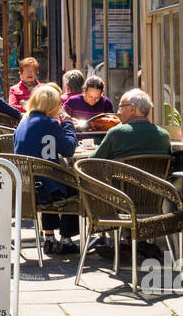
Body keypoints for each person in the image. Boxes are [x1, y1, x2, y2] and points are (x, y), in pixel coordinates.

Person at [13, 83, 81, 254]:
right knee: (75, 185)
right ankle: (66, 239)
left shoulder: (23, 122)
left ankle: (49, 237)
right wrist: (68, 125)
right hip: (46, 192)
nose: (60, 107)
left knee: (48, 176)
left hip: (27, 187)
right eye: (59, 104)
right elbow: (68, 149)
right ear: (51, 105)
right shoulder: (49, 123)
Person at [93, 88, 173, 161]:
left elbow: (93, 160)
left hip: (120, 177)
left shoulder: (116, 133)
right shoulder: (164, 135)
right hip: (154, 177)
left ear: (132, 109)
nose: (118, 113)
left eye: (121, 107)